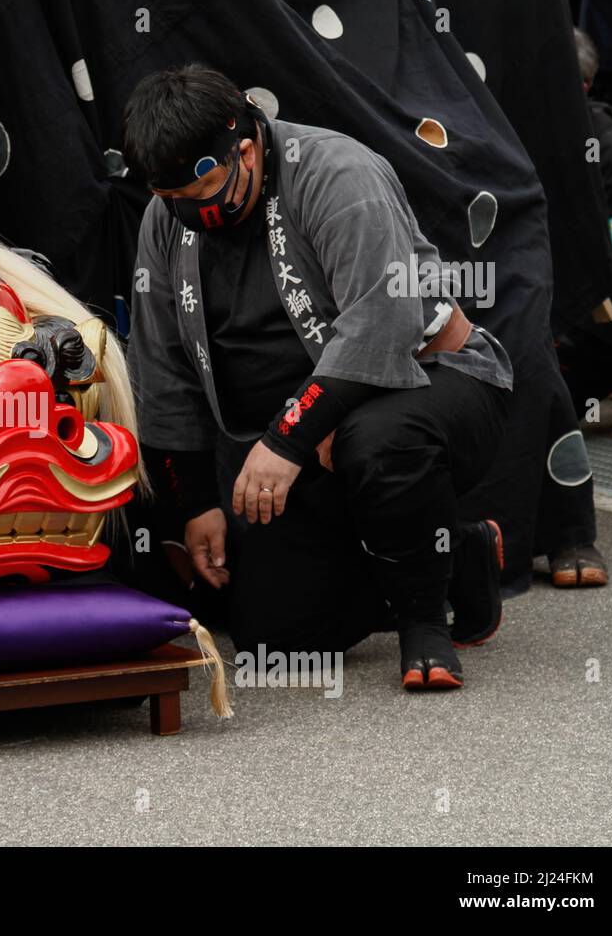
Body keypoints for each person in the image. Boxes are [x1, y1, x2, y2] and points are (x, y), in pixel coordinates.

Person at [123, 64, 513, 690]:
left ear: (245, 149)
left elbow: (382, 324)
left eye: (203, 198)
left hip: (433, 379)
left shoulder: (337, 173)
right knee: (274, 640)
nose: (191, 218)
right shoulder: (167, 219)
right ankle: (457, 553)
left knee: (377, 442)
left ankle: (424, 623)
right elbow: (161, 367)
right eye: (174, 205)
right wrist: (195, 502)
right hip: (301, 426)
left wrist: (288, 439)